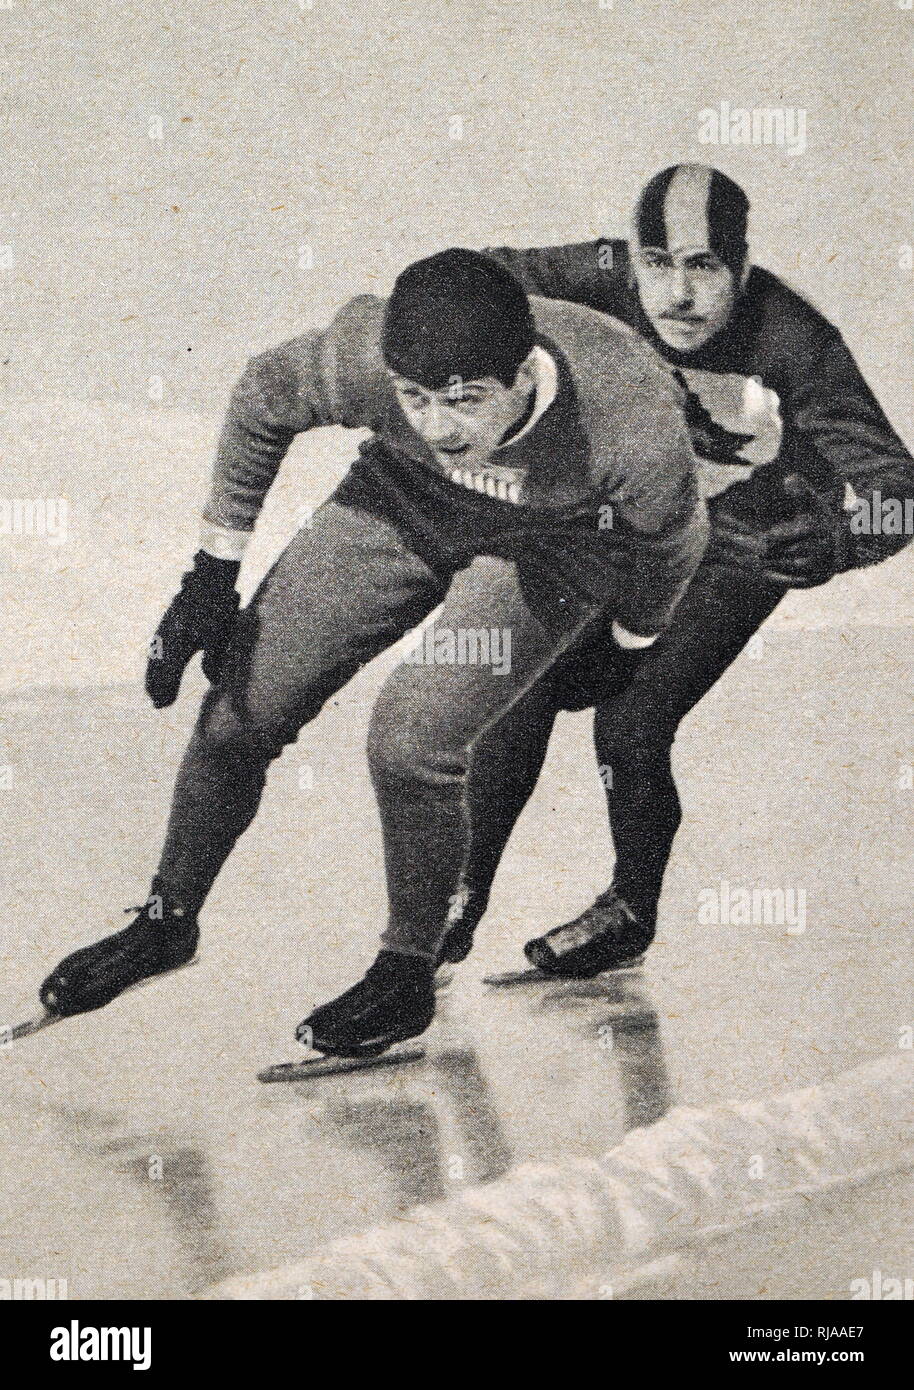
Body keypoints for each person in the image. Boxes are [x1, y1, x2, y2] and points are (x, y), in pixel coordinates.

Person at [38, 248, 707, 1058]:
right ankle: (166, 919)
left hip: (556, 544)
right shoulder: (362, 354)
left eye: (464, 401)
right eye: (416, 398)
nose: (438, 425)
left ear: (525, 374)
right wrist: (210, 576)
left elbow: (673, 542)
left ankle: (404, 973)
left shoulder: (628, 419)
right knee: (244, 703)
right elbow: (261, 397)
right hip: (408, 498)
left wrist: (633, 642)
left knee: (411, 738)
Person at [436, 163, 914, 980]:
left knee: (630, 723)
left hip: (740, 549)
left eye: (704, 267)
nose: (678, 296)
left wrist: (836, 536)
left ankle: (630, 907)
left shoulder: (792, 337)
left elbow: (897, 491)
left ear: (743, 265)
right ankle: (455, 903)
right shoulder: (598, 275)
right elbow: (470, 279)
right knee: (524, 683)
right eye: (658, 263)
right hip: (640, 530)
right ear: (629, 258)